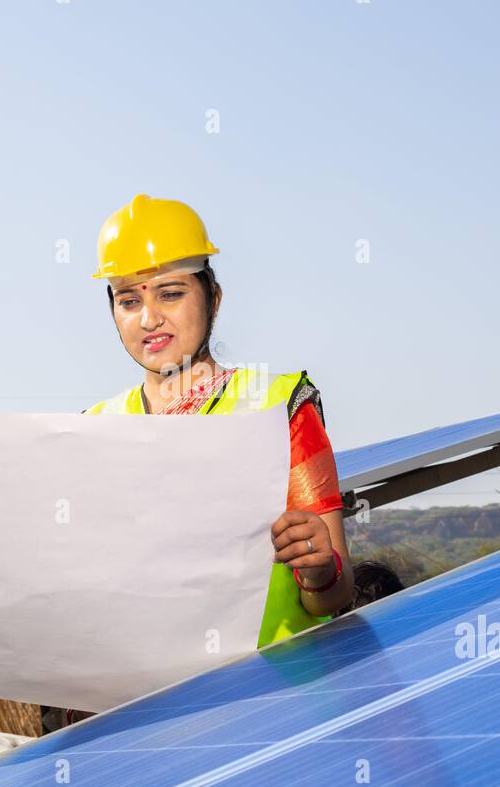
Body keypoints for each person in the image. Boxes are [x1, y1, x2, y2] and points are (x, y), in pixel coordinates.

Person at [87, 194, 357, 645]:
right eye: (128, 300)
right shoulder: (92, 430)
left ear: (213, 297)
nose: (150, 318)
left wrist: (319, 568)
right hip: (144, 703)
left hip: (269, 693)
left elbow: (335, 594)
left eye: (171, 293)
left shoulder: (278, 406)